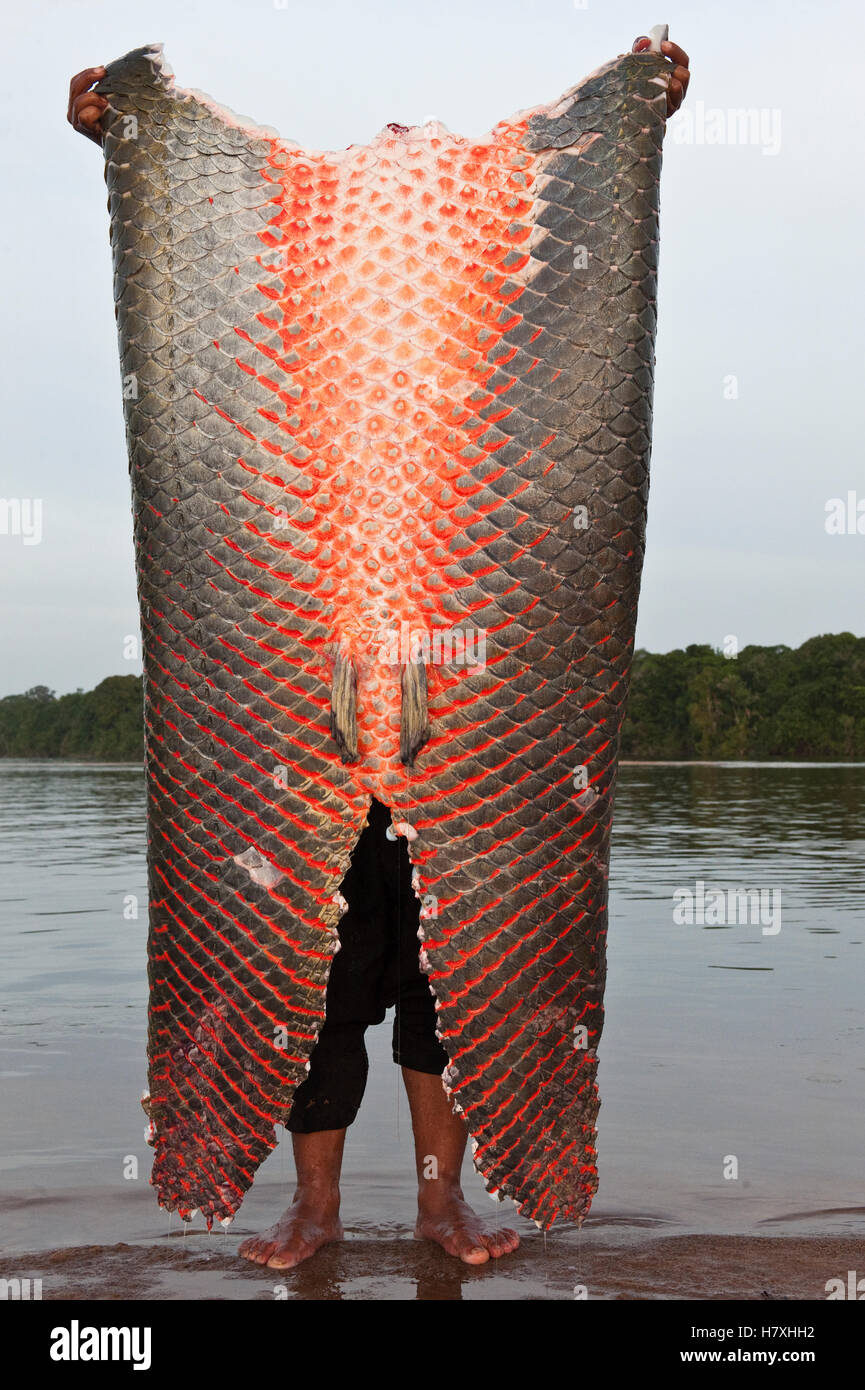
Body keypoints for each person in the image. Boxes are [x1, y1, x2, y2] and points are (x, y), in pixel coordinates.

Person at [68, 35, 690, 1271]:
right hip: (295, 733)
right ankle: (313, 1208)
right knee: (309, 993)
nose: (397, 166)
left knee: (461, 990)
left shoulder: (476, 372)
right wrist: (117, 136)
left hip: (469, 740)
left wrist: (647, 117)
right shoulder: (299, 362)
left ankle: (438, 1203)